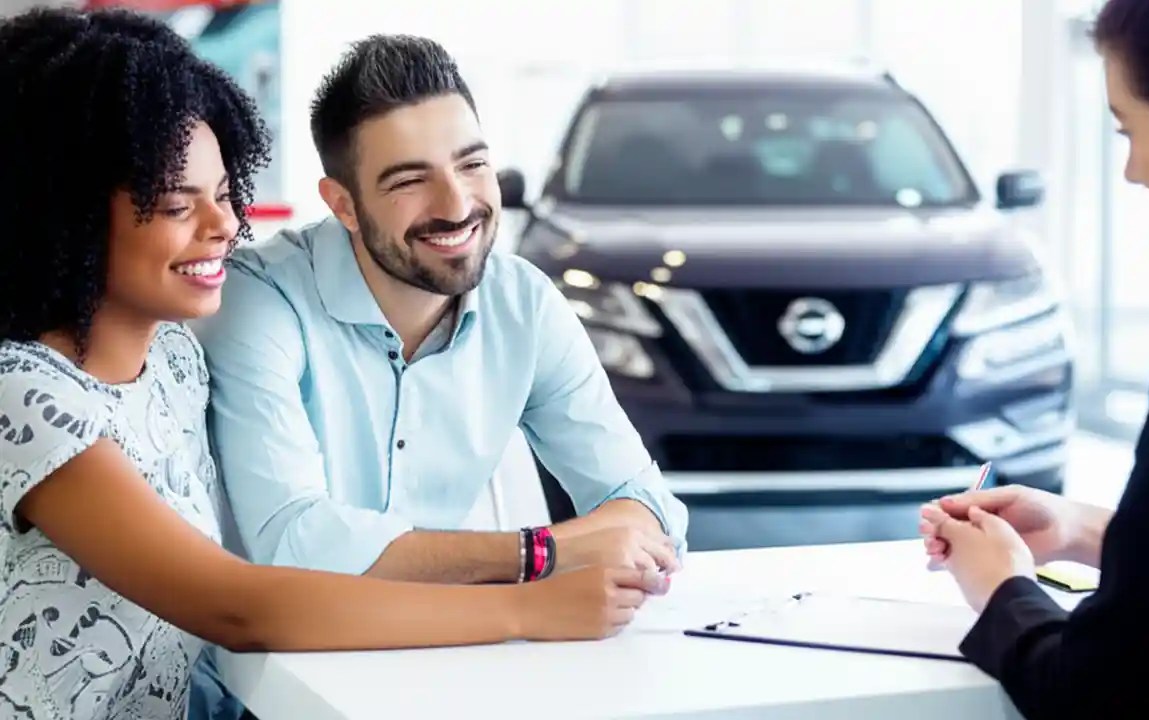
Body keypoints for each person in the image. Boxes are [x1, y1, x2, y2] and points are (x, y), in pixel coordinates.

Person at [0, 9, 666, 720]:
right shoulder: (25, 395)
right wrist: (531, 600)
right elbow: (239, 606)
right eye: (175, 205)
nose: (225, 226)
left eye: (223, 195)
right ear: (67, 213)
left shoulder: (175, 362)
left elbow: (648, 508)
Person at [189, 35, 688, 586]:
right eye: (410, 181)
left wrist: (579, 545)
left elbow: (647, 504)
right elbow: (294, 544)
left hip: (462, 632)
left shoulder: (523, 303)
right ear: (344, 206)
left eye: (472, 164)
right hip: (284, 642)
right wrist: (539, 554)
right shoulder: (259, 299)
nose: (457, 206)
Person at [919, 0, 1149, 717]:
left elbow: (1097, 694)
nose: (1134, 173)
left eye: (1130, 131)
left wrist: (1001, 589)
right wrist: (1089, 532)